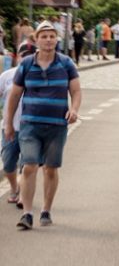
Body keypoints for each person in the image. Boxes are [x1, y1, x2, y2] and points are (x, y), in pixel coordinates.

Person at [3, 21, 81, 229]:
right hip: (30, 125)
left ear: (57, 39)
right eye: (44, 36)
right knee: (29, 166)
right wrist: (9, 123)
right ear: (36, 40)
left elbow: (76, 91)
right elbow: (15, 95)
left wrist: (73, 109)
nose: (48, 40)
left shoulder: (66, 64)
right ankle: (27, 213)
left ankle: (46, 209)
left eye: (52, 36)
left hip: (57, 126)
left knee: (50, 169)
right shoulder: (27, 65)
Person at [1, 42, 37, 206]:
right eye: (24, 55)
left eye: (31, 55)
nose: (27, 58)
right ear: (18, 56)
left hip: (31, 128)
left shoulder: (39, 76)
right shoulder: (7, 76)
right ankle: (14, 188)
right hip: (10, 127)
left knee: (28, 164)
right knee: (8, 163)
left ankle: (24, 195)